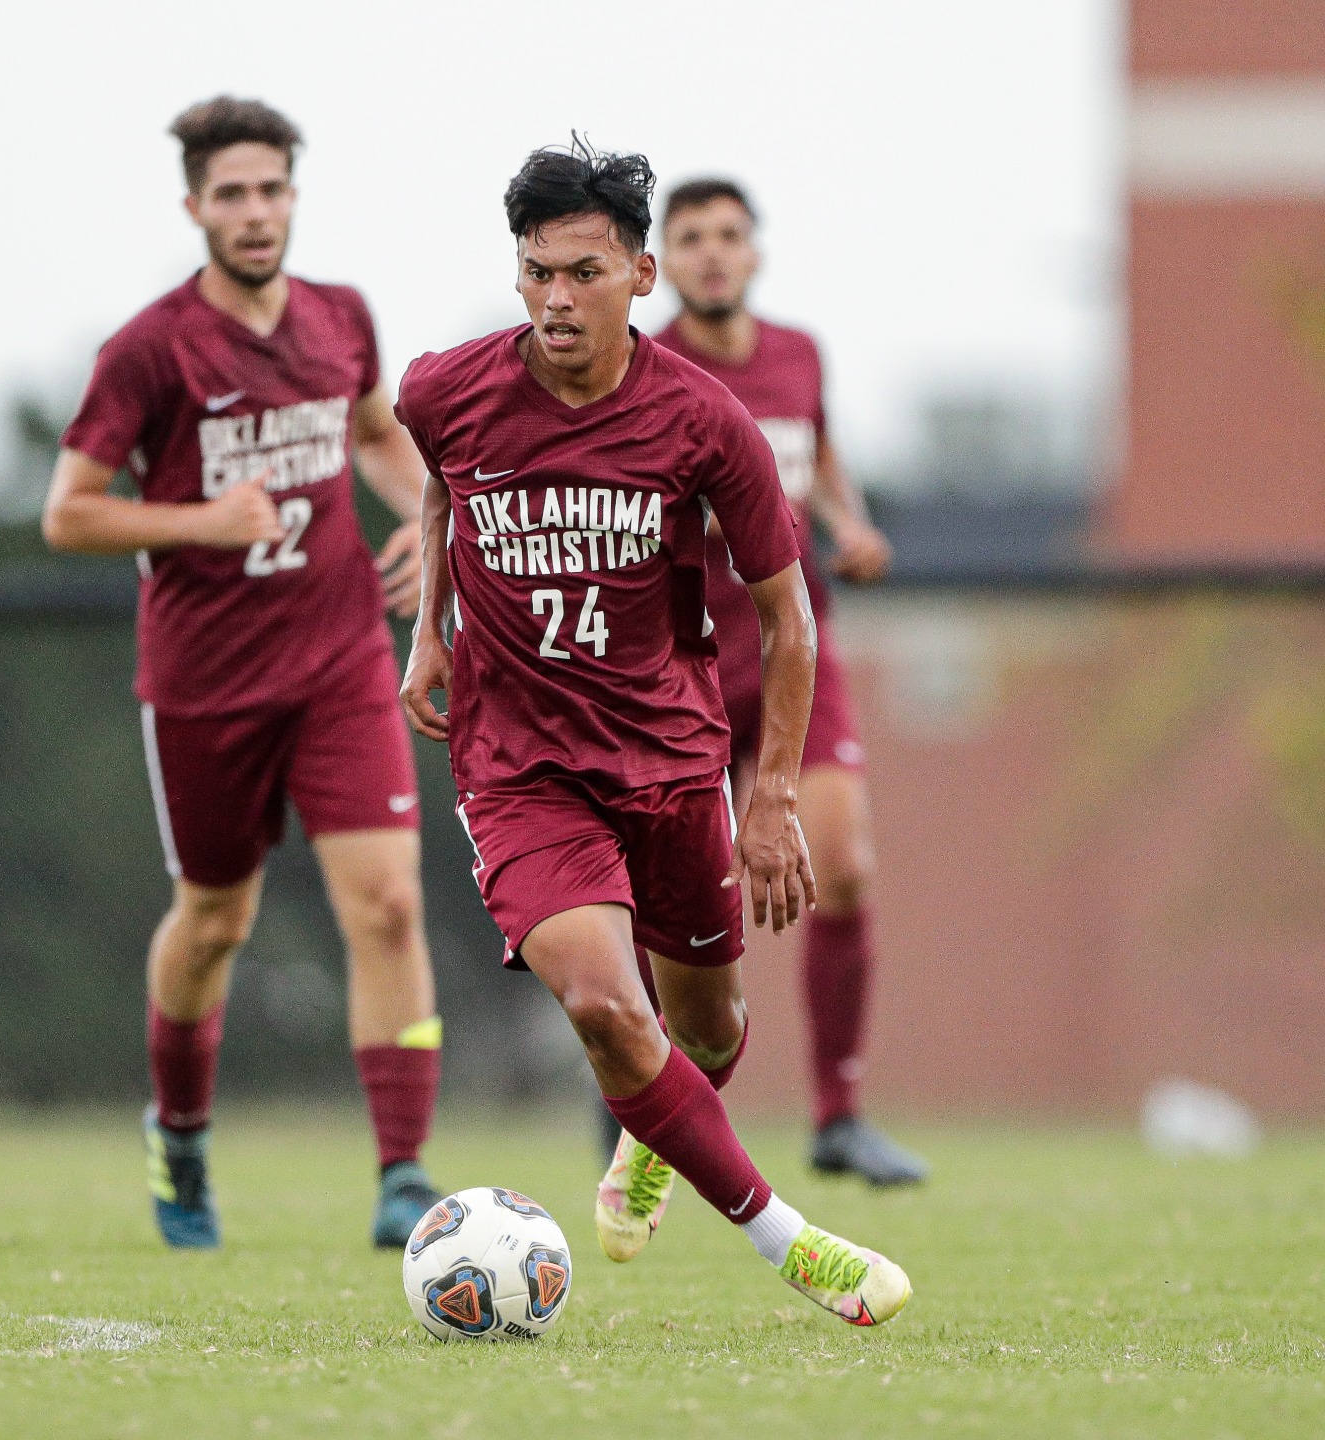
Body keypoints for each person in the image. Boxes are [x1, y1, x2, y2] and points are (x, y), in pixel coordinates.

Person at [396, 138, 909, 1325]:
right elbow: (439, 483)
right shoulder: (443, 388)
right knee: (603, 1007)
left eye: (581, 273)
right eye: (535, 274)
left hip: (670, 758)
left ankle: (649, 1150)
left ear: (638, 276)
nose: (554, 300)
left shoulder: (704, 421)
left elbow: (788, 620)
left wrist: (769, 795)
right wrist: (430, 630)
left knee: (706, 1025)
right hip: (519, 766)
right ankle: (793, 1245)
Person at [42, 97, 444, 1251]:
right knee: (215, 921)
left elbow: (371, 428)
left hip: (338, 664)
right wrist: (201, 523)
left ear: (293, 196)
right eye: (231, 194)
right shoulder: (150, 348)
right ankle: (177, 1134)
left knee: (389, 902)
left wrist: (427, 510)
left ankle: (403, 1174)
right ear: (193, 208)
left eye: (270, 189)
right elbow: (66, 515)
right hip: (207, 684)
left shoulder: (340, 316)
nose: (254, 212)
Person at [643, 178, 927, 1185]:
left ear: (754, 253)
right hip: (685, 667)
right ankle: (636, 1096)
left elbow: (820, 455)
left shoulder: (798, 353)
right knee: (668, 899)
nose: (712, 254)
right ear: (659, 263)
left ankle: (838, 1115)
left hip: (795, 654)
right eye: (690, 239)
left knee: (843, 865)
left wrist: (848, 523)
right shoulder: (649, 370)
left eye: (728, 236)